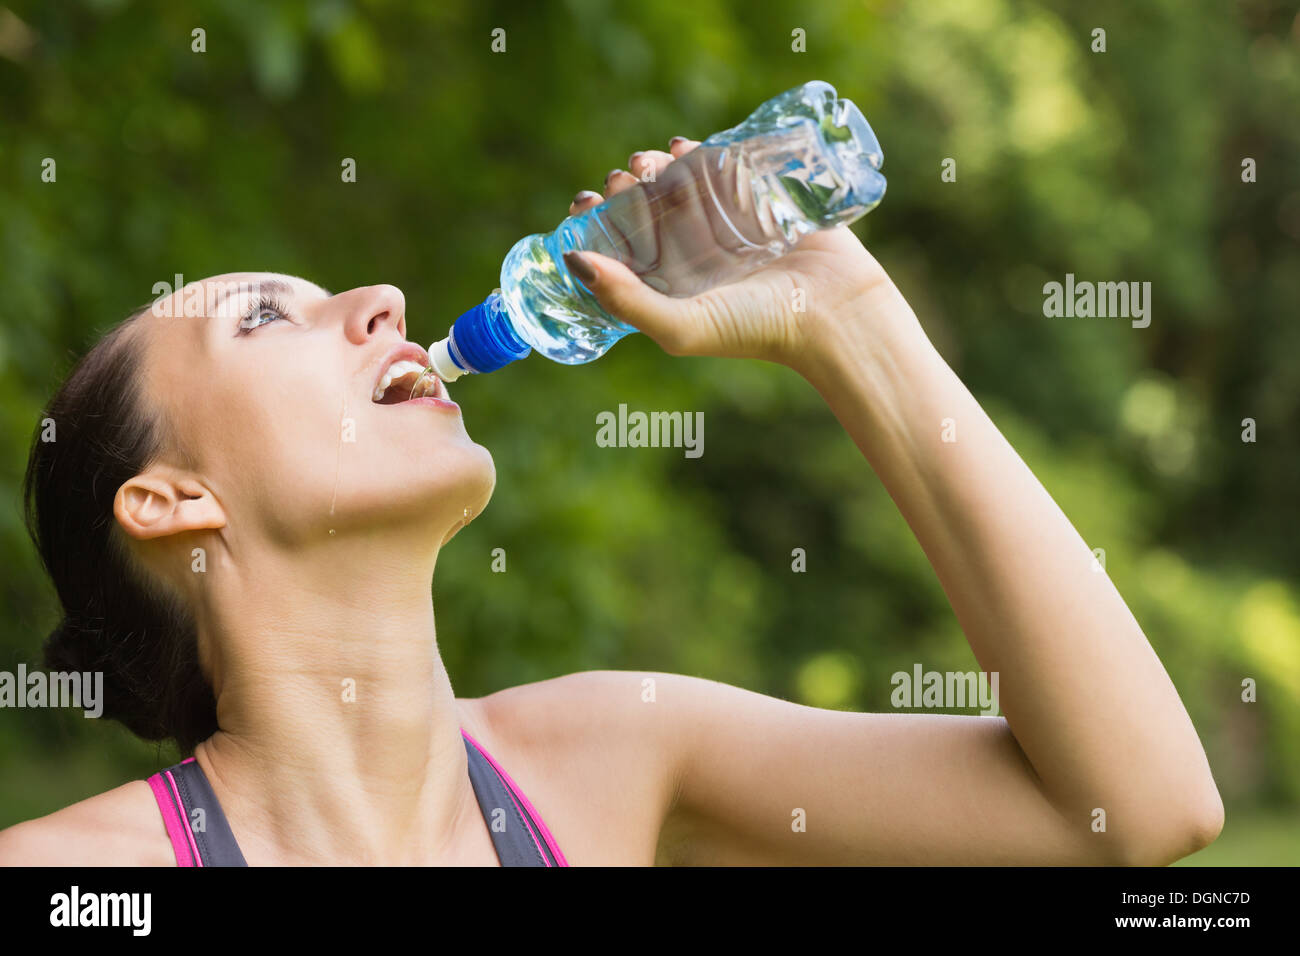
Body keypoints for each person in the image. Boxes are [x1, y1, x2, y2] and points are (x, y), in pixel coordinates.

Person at [0, 137, 1223, 865]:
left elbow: (1140, 807)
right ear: (169, 500)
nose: (374, 295)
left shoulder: (612, 759)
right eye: (266, 316)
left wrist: (848, 327)